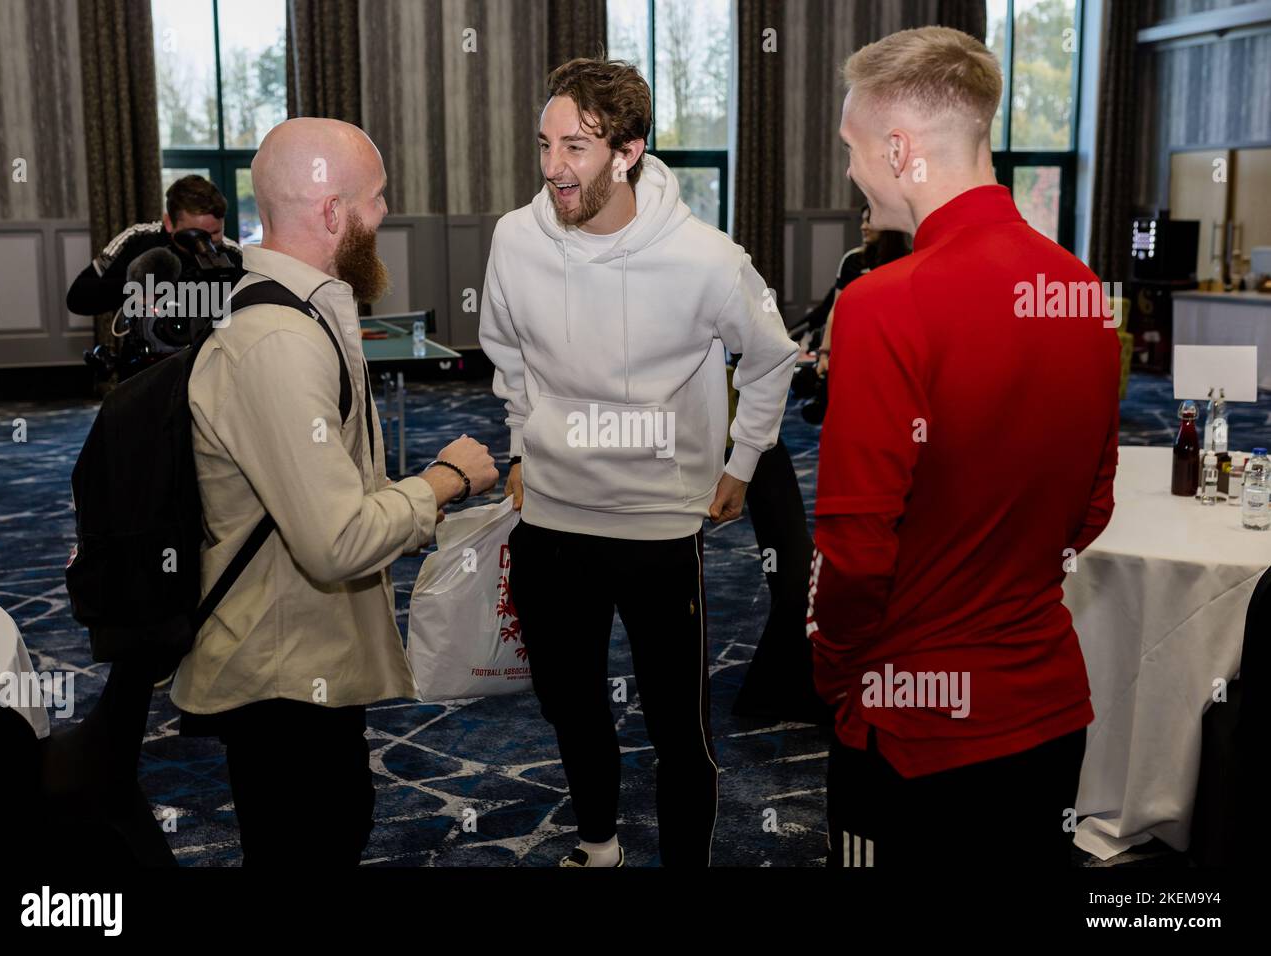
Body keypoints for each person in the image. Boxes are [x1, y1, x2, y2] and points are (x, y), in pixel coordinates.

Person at [809, 27, 1120, 868]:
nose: (850, 171)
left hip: (911, 732)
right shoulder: (1080, 291)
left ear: (900, 149)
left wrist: (835, 672)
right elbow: (1090, 510)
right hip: (1049, 713)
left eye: (854, 147)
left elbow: (856, 553)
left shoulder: (883, 304)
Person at [480, 57, 798, 867]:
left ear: (628, 151)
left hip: (659, 529)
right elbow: (507, 353)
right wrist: (521, 443)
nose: (554, 167)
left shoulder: (708, 259)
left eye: (577, 147)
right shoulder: (515, 240)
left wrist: (743, 460)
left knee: (675, 724)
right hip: (551, 519)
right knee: (571, 707)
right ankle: (598, 845)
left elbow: (770, 358)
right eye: (545, 144)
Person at [171, 118, 498, 866]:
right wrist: (443, 482)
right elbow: (336, 539)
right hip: (279, 678)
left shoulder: (306, 312)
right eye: (376, 201)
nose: (383, 218)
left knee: (335, 831)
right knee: (306, 846)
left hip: (303, 661)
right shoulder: (280, 342)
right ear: (331, 211)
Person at [66, 174, 244, 317]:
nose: (207, 243)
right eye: (196, 234)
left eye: (215, 232)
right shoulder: (136, 239)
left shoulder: (233, 255)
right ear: (169, 223)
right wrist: (137, 286)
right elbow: (78, 298)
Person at [809, 205, 910, 378]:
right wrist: (824, 352)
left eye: (868, 220)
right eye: (862, 220)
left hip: (893, 352)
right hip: (854, 347)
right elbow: (836, 309)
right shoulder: (853, 260)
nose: (863, 227)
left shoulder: (908, 260)